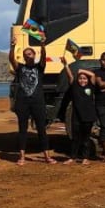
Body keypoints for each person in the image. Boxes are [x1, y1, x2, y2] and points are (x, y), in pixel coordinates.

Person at [9, 36, 54, 165]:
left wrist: (43, 45)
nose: (28, 56)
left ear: (34, 55)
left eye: (30, 53)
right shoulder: (20, 68)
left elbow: (44, 57)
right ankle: (22, 157)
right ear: (24, 57)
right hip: (23, 102)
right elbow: (12, 59)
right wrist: (13, 46)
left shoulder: (39, 67)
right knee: (22, 129)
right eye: (25, 54)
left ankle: (47, 156)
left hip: (37, 102)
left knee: (41, 129)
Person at [61, 55, 97, 164]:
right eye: (80, 78)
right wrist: (65, 65)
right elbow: (70, 76)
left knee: (86, 138)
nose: (82, 80)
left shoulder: (91, 86)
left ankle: (85, 158)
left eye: (84, 78)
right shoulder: (75, 86)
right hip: (76, 116)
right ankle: (72, 157)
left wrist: (82, 71)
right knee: (75, 138)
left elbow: (93, 75)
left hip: (88, 116)